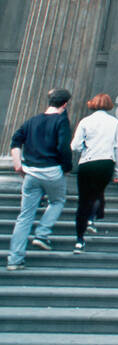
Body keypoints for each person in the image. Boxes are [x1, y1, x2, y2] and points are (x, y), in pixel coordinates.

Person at [7, 88, 73, 270]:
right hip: (52, 171)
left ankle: (14, 259)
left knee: (24, 216)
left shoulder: (32, 121)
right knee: (57, 201)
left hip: (31, 173)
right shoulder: (61, 121)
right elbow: (63, 148)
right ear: (65, 104)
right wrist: (67, 168)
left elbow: (15, 140)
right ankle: (42, 234)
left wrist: (17, 164)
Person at [70, 94, 118, 252]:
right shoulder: (114, 122)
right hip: (106, 162)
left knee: (83, 201)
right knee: (98, 193)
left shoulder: (85, 122)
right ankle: (92, 218)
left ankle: (79, 240)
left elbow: (75, 146)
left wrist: (85, 147)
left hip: (87, 162)